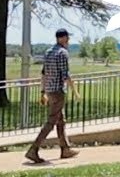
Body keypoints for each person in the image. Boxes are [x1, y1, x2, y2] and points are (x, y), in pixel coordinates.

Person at [25, 28, 79, 164]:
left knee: (61, 121)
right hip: (58, 91)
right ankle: (33, 149)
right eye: (67, 38)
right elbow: (65, 75)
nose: (68, 40)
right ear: (62, 38)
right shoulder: (62, 53)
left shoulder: (49, 52)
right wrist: (75, 91)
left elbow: (43, 73)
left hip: (49, 90)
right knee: (51, 122)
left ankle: (65, 149)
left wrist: (43, 92)